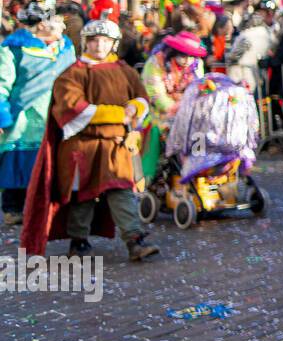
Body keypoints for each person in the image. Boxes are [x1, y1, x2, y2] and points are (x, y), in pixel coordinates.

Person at [20, 18, 159, 261]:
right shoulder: (73, 73)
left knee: (121, 191)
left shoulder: (124, 70)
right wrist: (118, 113)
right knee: (82, 196)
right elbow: (72, 108)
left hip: (115, 146)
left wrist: (136, 108)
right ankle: (79, 240)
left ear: (113, 43)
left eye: (105, 41)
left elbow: (141, 97)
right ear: (86, 43)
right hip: (82, 147)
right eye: (94, 40)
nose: (99, 46)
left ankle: (135, 240)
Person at [0, 3, 75, 224]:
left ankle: (43, 206)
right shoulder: (12, 49)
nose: (63, 25)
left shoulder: (65, 48)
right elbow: (2, 85)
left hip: (55, 115)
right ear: (42, 24)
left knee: (50, 163)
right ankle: (13, 208)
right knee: (18, 163)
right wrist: (2, 115)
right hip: (23, 118)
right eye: (58, 20)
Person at [141, 27, 208, 182]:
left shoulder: (196, 65)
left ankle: (199, 170)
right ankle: (148, 178)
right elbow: (157, 97)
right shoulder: (155, 63)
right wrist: (181, 108)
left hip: (189, 114)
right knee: (156, 132)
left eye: (192, 56)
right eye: (184, 55)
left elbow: (199, 90)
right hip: (157, 114)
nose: (188, 60)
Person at [225, 0, 277, 91]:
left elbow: (235, 55)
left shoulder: (253, 34)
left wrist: (229, 59)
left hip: (244, 76)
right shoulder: (266, 34)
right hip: (250, 76)